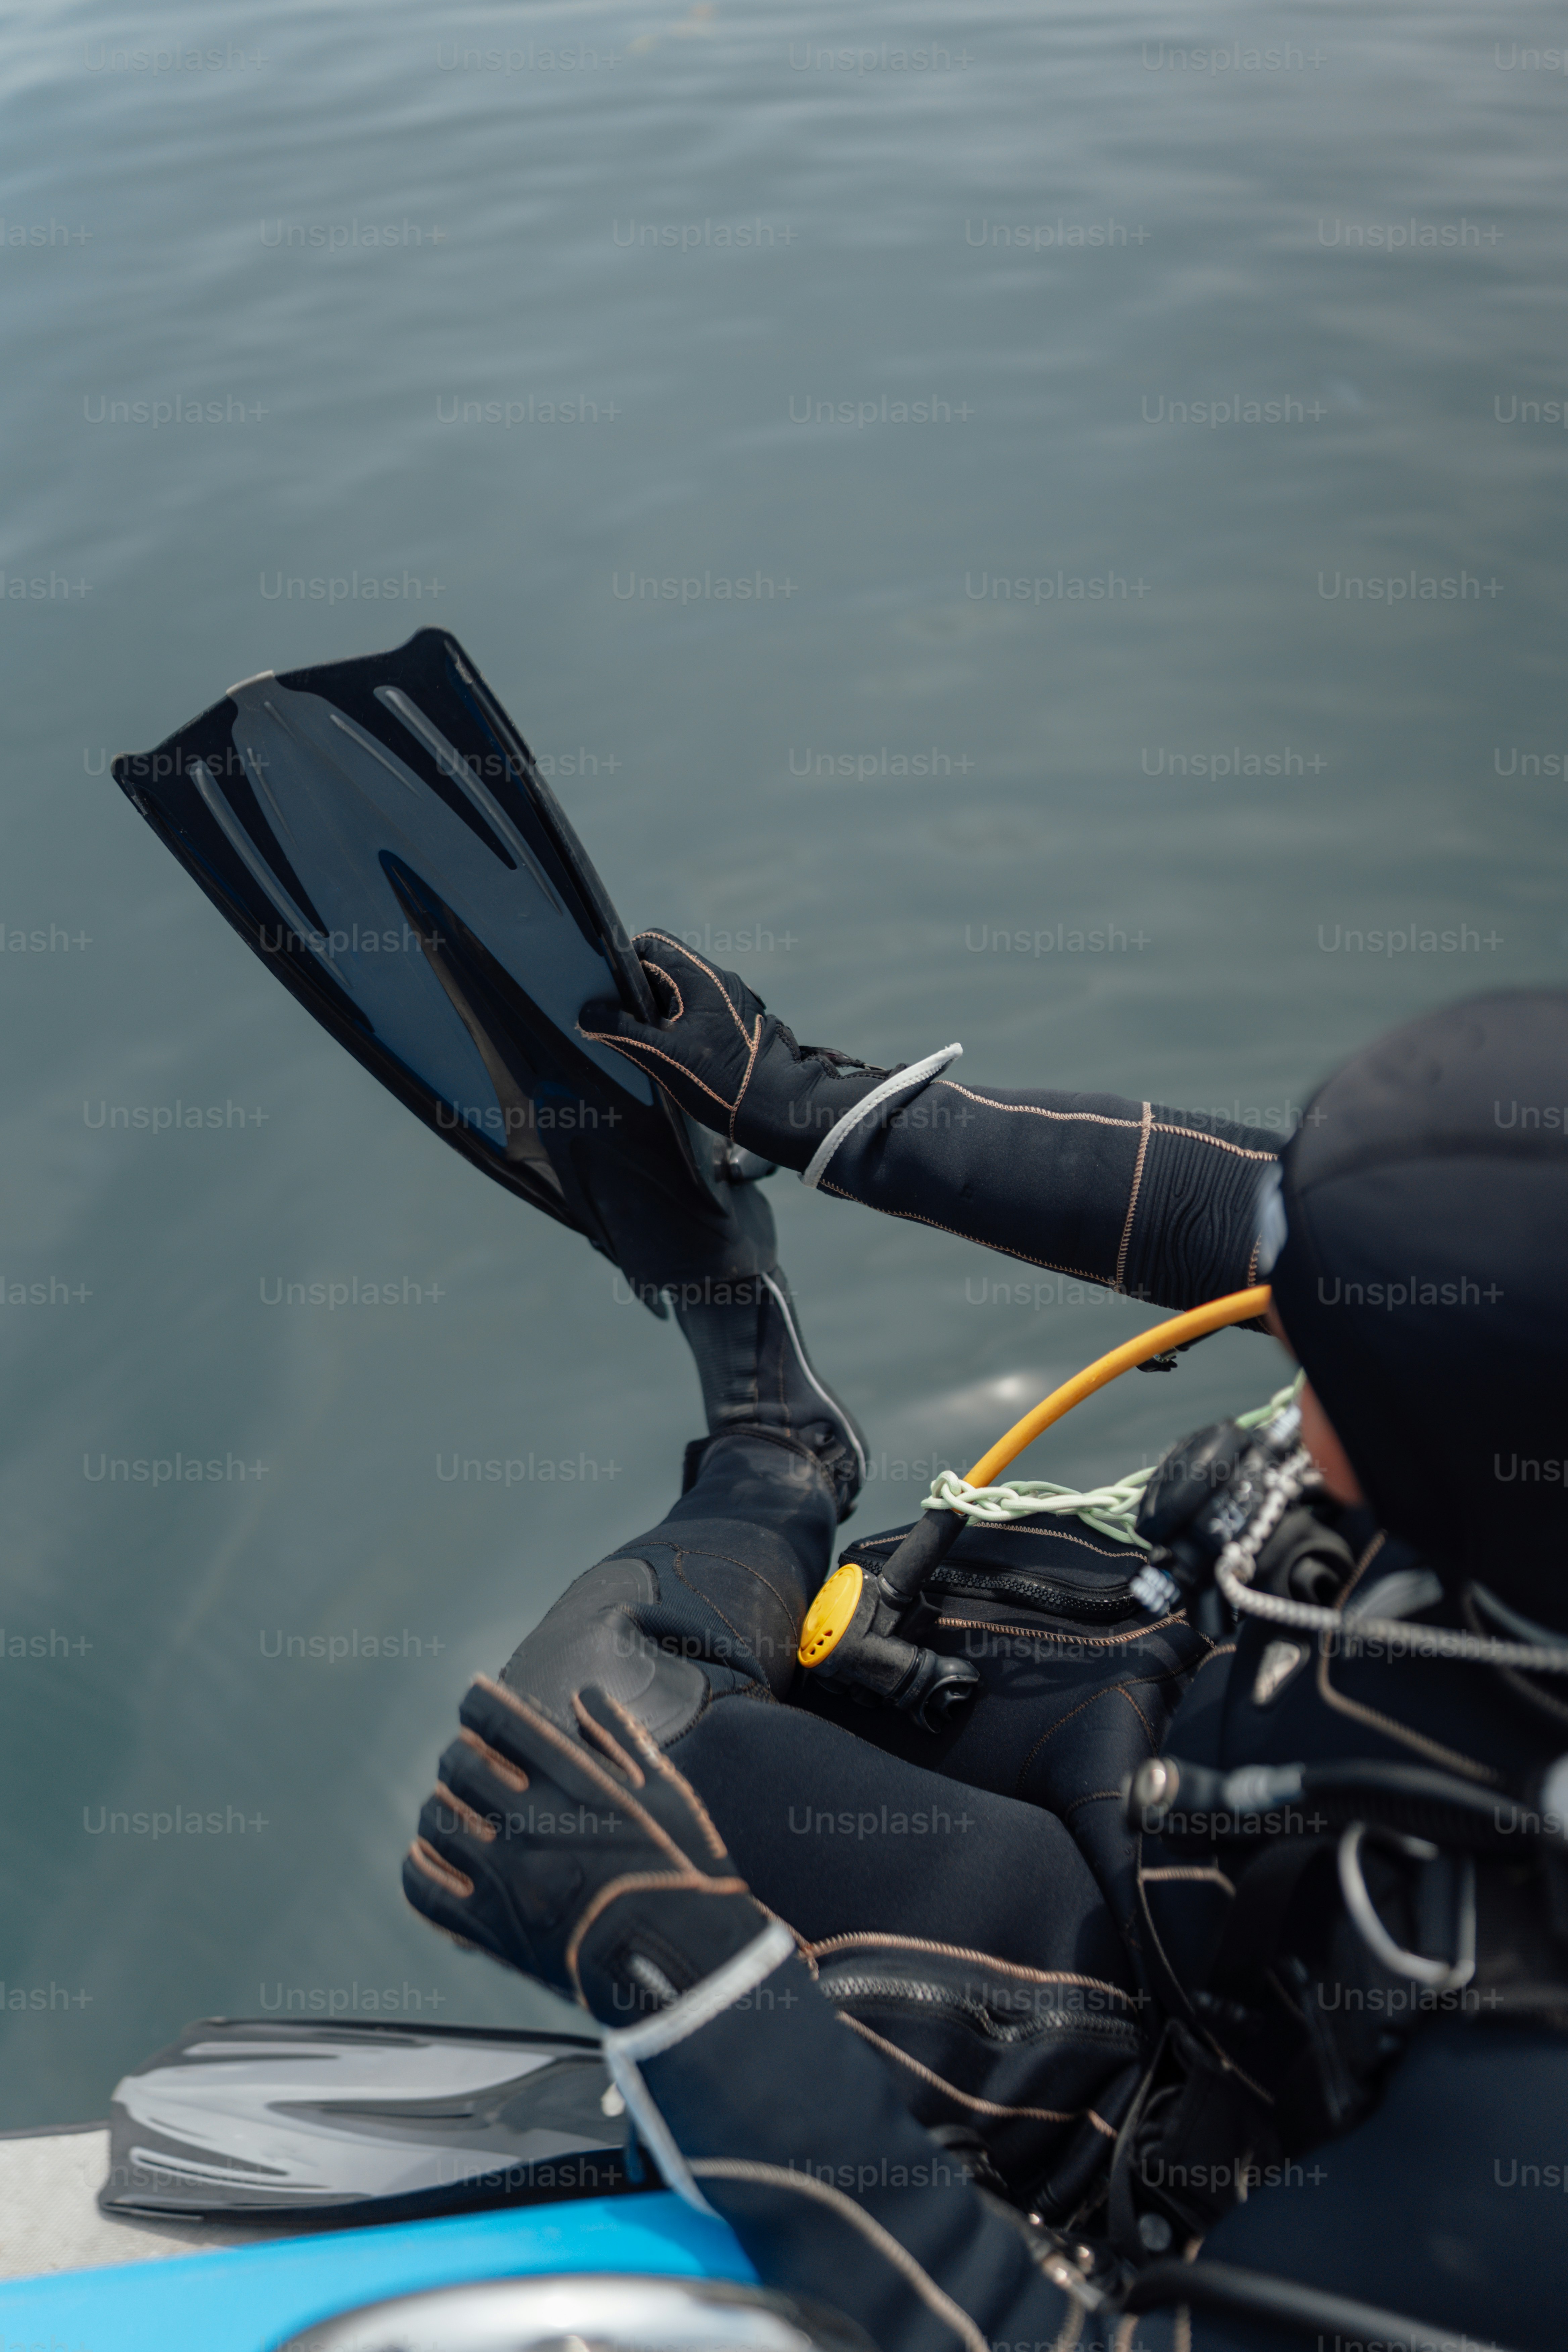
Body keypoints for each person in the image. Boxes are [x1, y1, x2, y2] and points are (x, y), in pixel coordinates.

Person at [403, 951, 1568, 2352]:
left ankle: (772, 1444)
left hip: (1201, 2092)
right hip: (1223, 1762)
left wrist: (698, 1992)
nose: (1283, 1332)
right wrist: (811, 1098)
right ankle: (773, 1427)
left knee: (557, 1758)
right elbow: (1243, 1217)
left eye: (1326, 1358)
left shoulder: (1523, 2137)